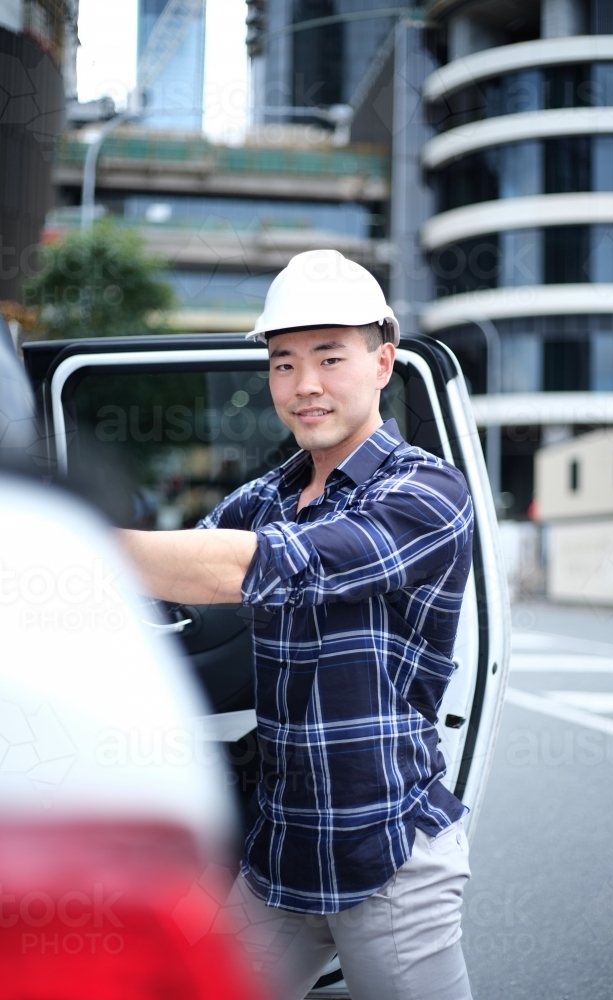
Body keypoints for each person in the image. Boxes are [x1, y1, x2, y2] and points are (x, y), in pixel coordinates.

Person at [119, 250, 475, 1000]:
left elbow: (265, 567)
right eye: (283, 363)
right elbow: (175, 587)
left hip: (388, 853)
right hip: (281, 854)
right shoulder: (267, 495)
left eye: (329, 357)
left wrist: (65, 541)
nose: (305, 385)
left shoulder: (428, 491)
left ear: (382, 364)